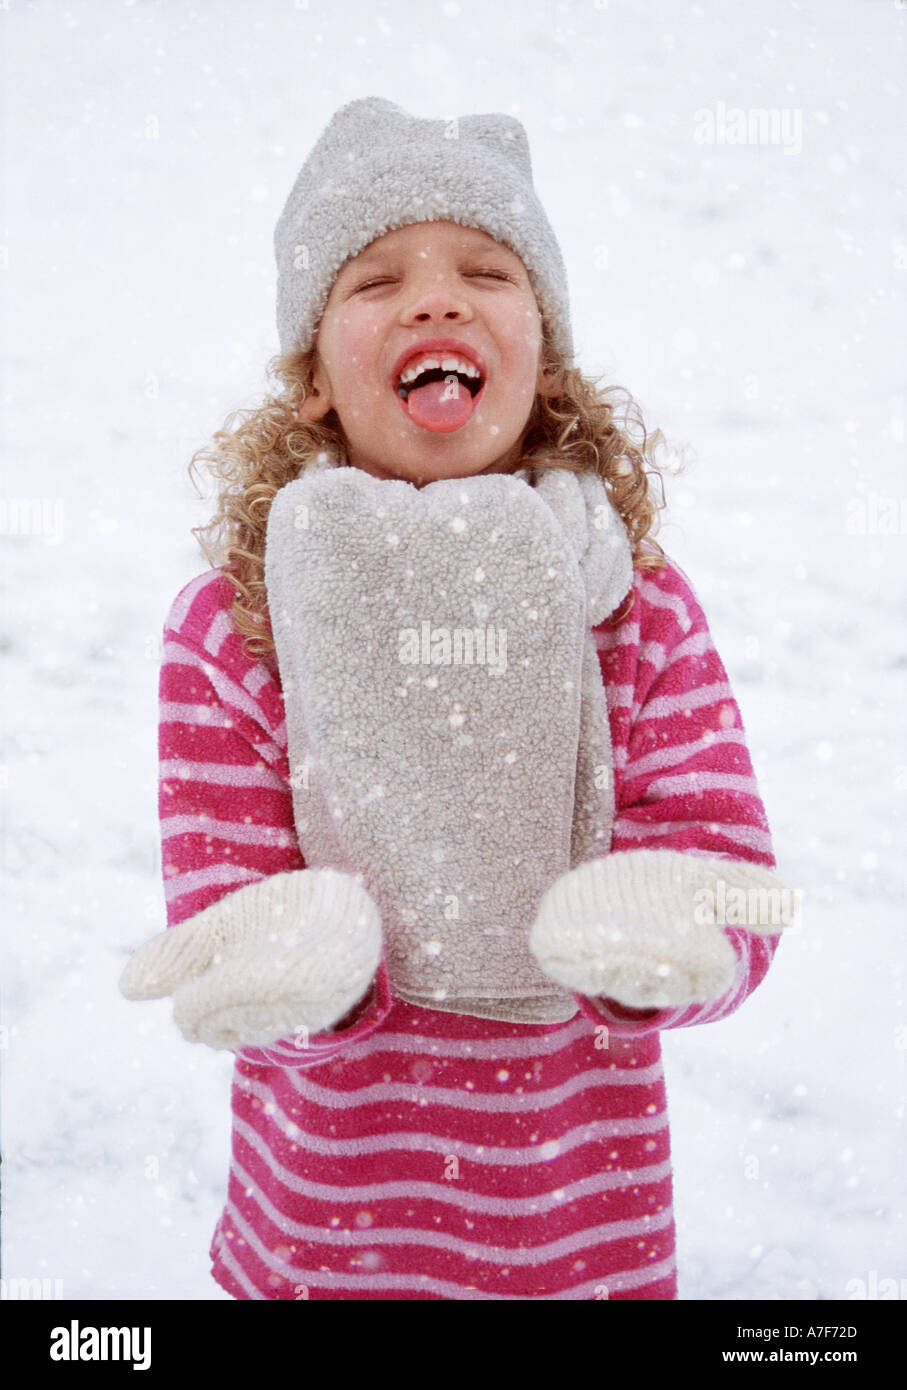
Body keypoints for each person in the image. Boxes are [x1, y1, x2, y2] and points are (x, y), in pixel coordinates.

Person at [120, 97, 795, 1301]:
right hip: (323, 1235)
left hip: (574, 1230)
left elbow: (726, 870)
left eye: (486, 269)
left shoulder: (634, 607)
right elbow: (222, 899)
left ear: (543, 359)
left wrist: (664, 933)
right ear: (315, 379)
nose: (436, 297)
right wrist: (284, 955)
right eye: (373, 281)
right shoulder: (235, 625)